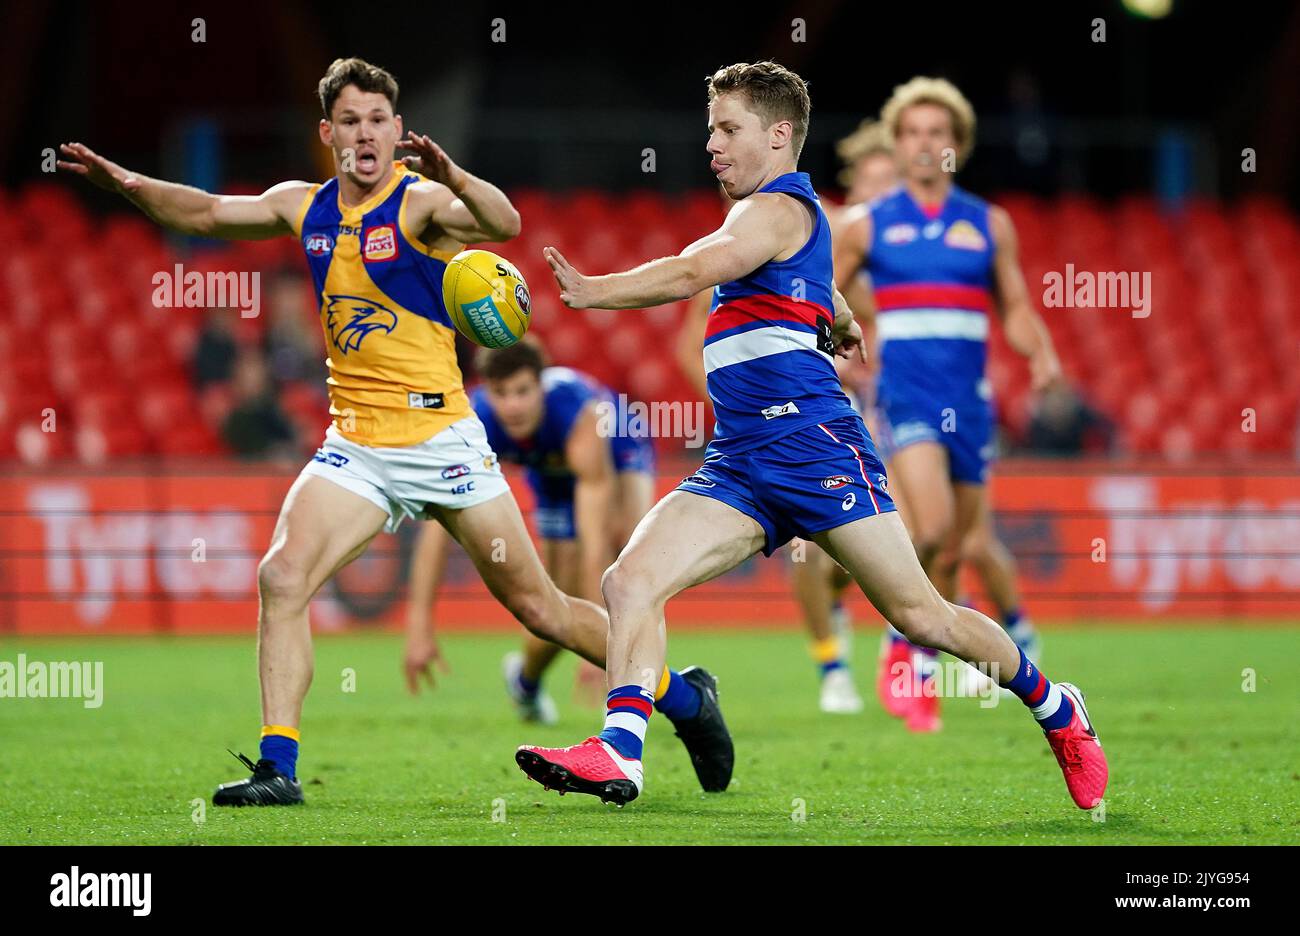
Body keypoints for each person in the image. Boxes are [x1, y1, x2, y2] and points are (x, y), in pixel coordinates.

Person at [58, 56, 732, 806]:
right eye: (350, 121)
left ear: (398, 129)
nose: (365, 134)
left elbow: (503, 224)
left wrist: (459, 177)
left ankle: (682, 697)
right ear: (329, 133)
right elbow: (206, 213)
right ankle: (278, 768)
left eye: (378, 120)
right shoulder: (301, 205)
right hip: (356, 447)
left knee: (538, 609)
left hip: (442, 440)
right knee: (280, 577)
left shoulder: (420, 205)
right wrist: (125, 185)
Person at [517, 62, 1107, 811]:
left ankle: (1058, 709)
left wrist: (596, 291)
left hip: (816, 449)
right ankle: (621, 753)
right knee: (630, 581)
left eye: (727, 129)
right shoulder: (790, 220)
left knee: (922, 616)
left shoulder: (773, 209)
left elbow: (699, 267)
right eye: (710, 130)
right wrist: (841, 314)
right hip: (739, 463)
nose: (712, 145)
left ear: (778, 135)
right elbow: (806, 279)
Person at [834, 78, 1058, 731]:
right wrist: (835, 338)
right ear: (897, 144)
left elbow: (1015, 307)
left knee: (958, 545)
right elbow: (822, 293)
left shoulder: (989, 223)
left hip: (972, 402)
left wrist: (1039, 354)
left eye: (937, 132)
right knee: (928, 529)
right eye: (911, 133)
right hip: (907, 397)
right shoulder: (868, 225)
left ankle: (915, 656)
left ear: (957, 143)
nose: (924, 144)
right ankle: (905, 655)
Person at [404, 340, 658, 725]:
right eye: (501, 393)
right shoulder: (473, 421)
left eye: (523, 391)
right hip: (550, 470)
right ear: (485, 391)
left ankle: (638, 681)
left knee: (631, 562)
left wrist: (604, 643)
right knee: (554, 605)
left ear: (541, 386)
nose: (513, 406)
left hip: (619, 451)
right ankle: (525, 681)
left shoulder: (578, 415)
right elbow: (437, 531)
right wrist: (420, 627)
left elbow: (596, 541)